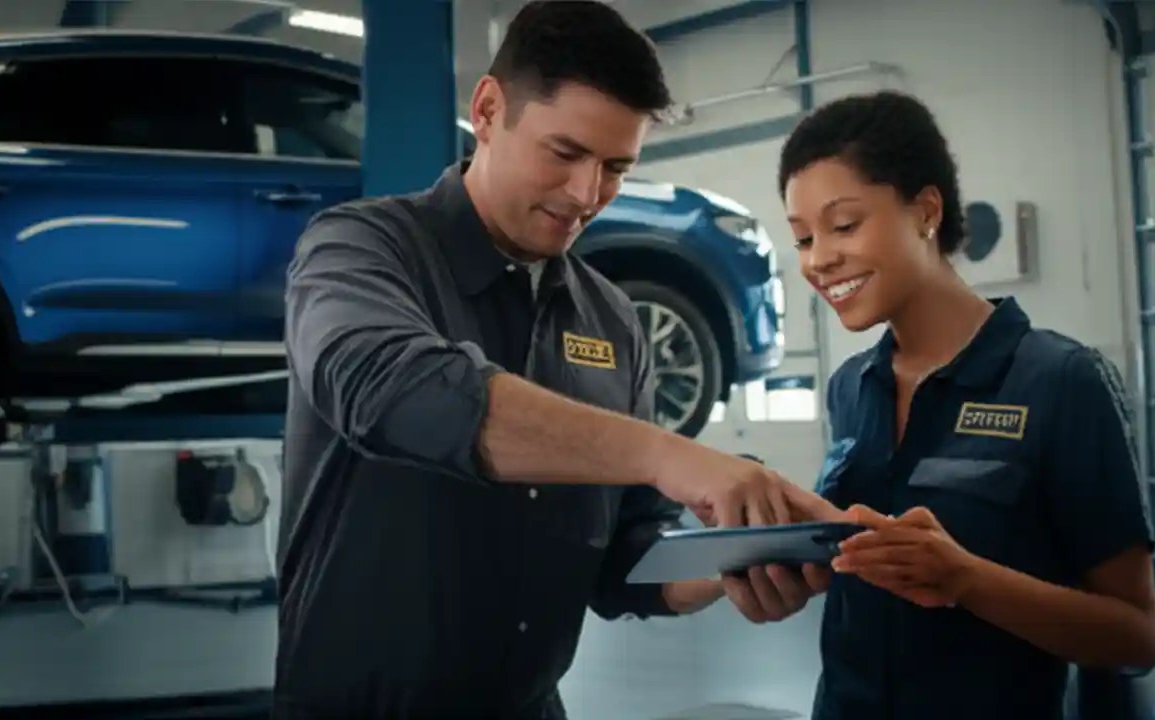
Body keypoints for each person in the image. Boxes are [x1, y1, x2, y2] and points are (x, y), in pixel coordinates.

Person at [273, 3, 827, 718]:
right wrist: (668, 454)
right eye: (564, 153)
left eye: (616, 168)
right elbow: (389, 389)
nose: (586, 195)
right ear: (488, 110)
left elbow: (624, 555)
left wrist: (726, 560)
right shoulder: (359, 249)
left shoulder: (613, 320)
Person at [779, 91, 1155, 719]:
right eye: (801, 238)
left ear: (926, 212)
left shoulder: (1061, 381)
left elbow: (1135, 638)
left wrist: (967, 579)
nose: (818, 259)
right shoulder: (850, 386)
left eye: (844, 225)